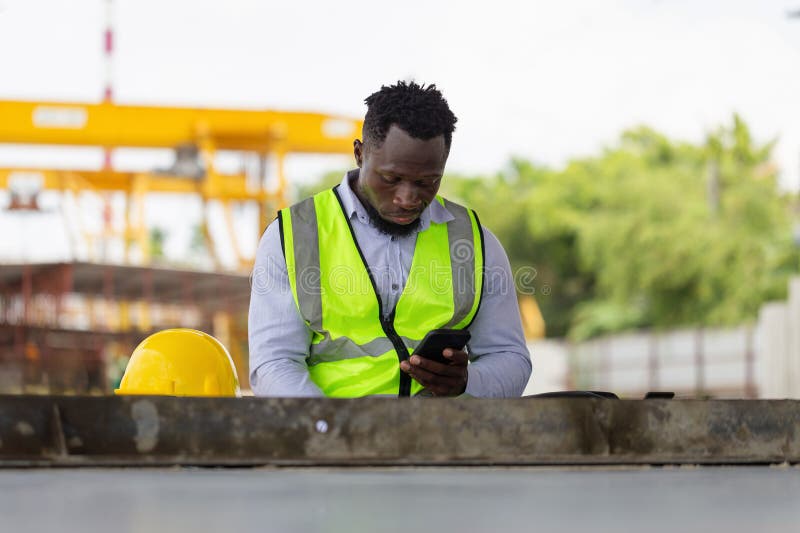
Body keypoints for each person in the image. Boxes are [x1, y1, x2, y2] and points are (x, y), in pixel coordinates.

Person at [248, 81, 531, 397]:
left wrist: (467, 383)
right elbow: (273, 364)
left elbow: (511, 359)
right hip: (331, 434)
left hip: (442, 439)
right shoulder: (292, 237)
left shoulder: (477, 243)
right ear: (359, 153)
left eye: (427, 181)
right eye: (391, 179)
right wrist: (329, 432)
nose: (408, 198)